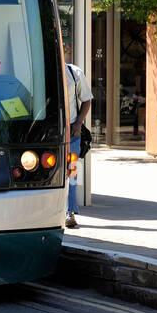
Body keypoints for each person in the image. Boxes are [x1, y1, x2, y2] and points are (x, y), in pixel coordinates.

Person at [63, 43, 93, 229]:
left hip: (72, 134)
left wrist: (78, 123)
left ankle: (70, 212)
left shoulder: (75, 73)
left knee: (72, 172)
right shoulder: (42, 73)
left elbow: (87, 100)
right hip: (50, 134)